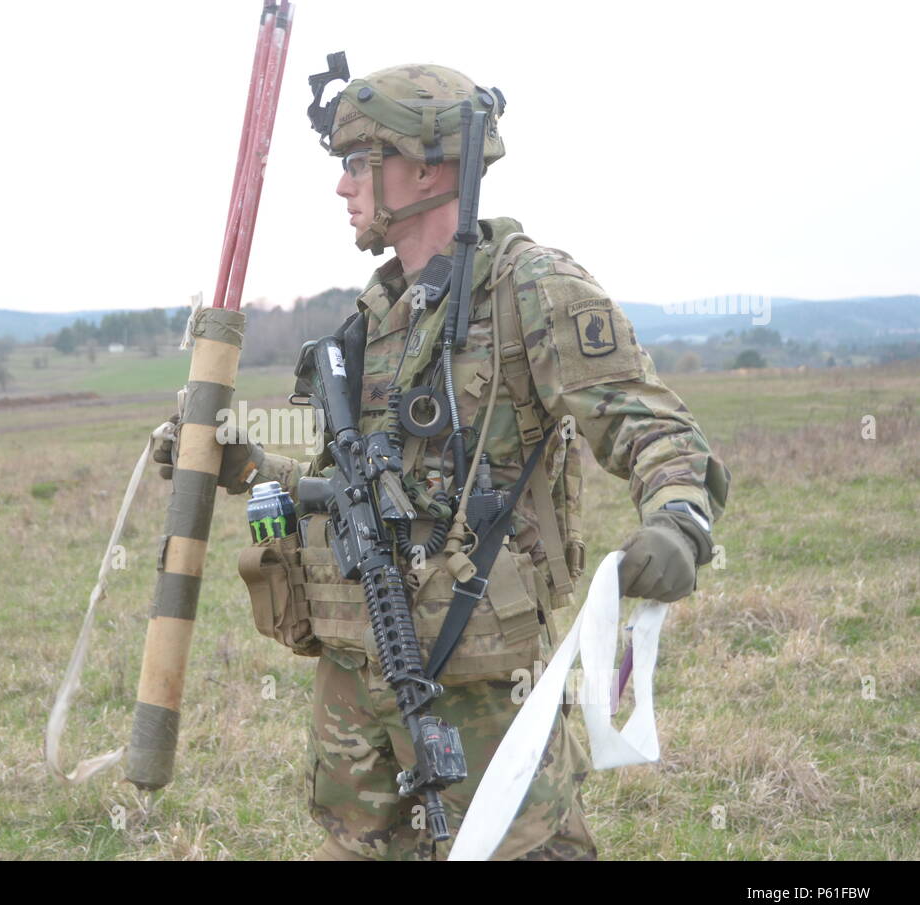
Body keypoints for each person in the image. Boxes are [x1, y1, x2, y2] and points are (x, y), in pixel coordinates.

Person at [156, 62, 730, 861]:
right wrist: (236, 457)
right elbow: (342, 475)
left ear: (426, 167)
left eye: (359, 163)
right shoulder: (373, 314)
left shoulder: (533, 288)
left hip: (479, 679)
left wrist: (678, 517)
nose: (343, 187)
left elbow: (650, 423)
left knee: (523, 850)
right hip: (356, 667)